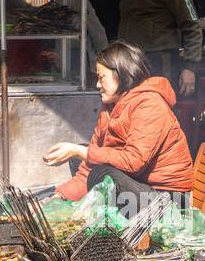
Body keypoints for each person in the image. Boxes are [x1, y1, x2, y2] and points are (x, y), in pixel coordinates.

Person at [45, 41, 194, 207]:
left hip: (170, 199)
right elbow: (88, 167)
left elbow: (133, 161)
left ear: (122, 74)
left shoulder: (150, 104)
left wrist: (81, 151)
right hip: (140, 187)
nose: (97, 85)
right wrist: (59, 197)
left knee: (101, 169)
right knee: (84, 159)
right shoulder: (109, 108)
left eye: (102, 78)